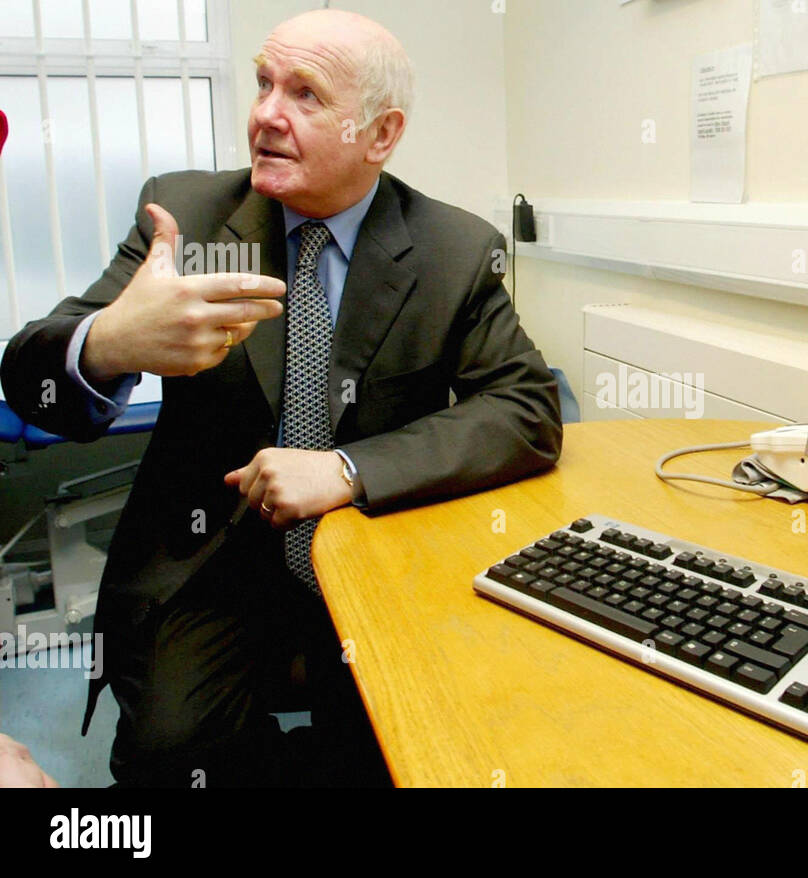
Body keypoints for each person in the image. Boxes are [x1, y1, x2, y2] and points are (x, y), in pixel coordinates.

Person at [0, 10, 562, 786]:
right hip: (208, 561)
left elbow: (527, 407)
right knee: (171, 758)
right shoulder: (188, 218)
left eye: (305, 94)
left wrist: (348, 468)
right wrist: (108, 342)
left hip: (373, 557)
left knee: (411, 748)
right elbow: (31, 382)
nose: (266, 112)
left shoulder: (453, 251)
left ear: (381, 134)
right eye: (264, 82)